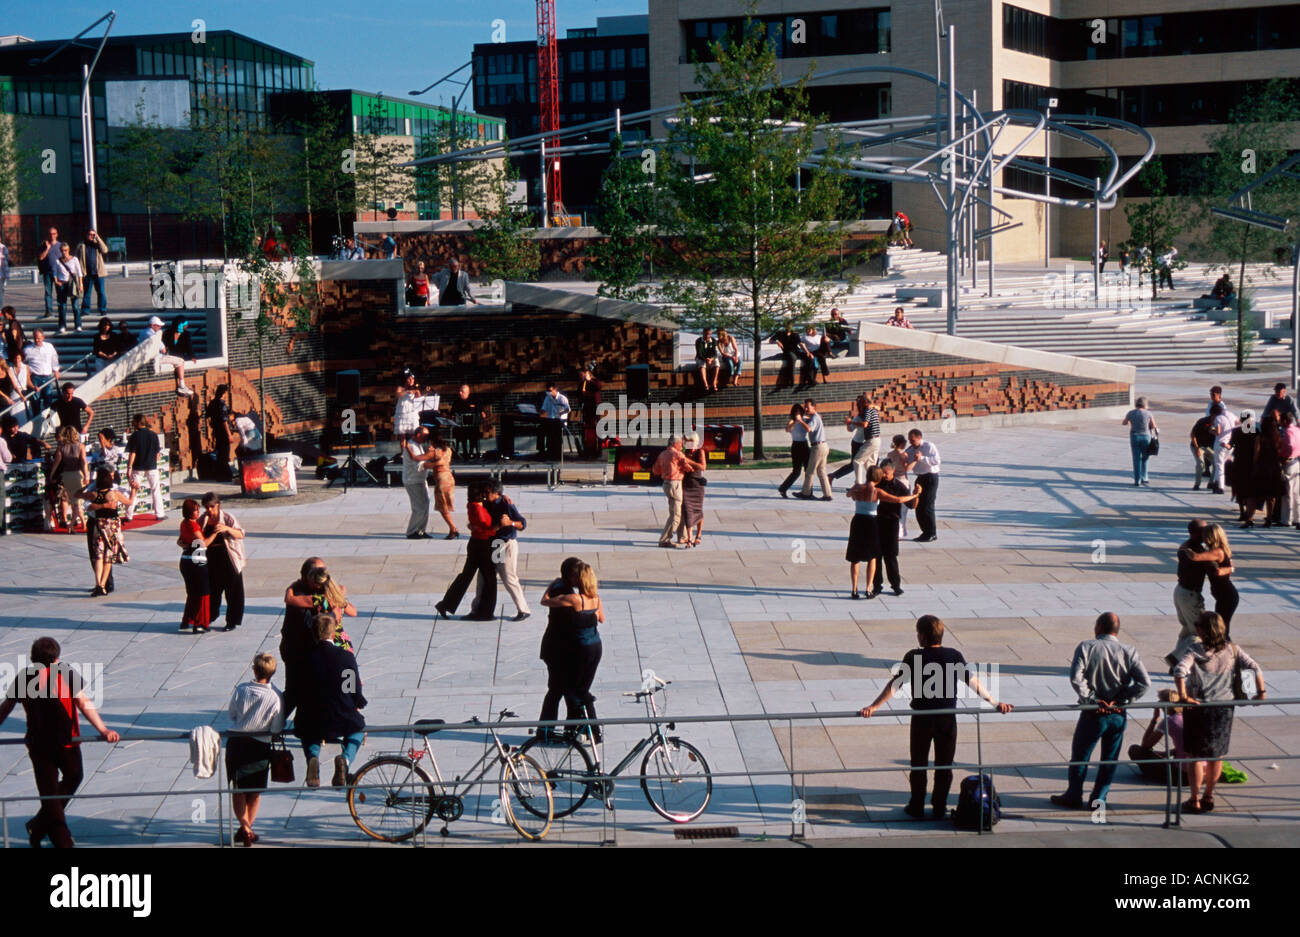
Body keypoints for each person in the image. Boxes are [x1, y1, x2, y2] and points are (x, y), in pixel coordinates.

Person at [861, 615, 1011, 820]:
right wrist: (994, 702)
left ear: (922, 636)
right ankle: (939, 806)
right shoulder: (954, 655)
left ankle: (916, 805)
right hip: (947, 719)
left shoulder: (914, 656)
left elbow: (895, 685)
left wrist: (874, 706)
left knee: (919, 765)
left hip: (922, 719)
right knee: (944, 766)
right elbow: (973, 682)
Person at [0, 636, 120, 848]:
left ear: (33, 658)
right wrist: (103, 729)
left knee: (49, 793)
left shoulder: (24, 677)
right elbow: (83, 702)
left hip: (38, 745)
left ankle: (38, 827)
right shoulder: (65, 673)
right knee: (72, 778)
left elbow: (6, 707)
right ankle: (59, 840)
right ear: (56, 657)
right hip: (67, 742)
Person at [1050, 612, 1151, 810]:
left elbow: (1076, 678)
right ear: (1117, 630)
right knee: (1109, 759)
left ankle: (1074, 795)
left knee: (1080, 757)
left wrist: (1093, 700)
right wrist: (1121, 699)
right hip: (1117, 713)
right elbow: (1144, 683)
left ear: (1098, 627)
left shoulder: (1086, 647)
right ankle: (1099, 800)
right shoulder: (1129, 651)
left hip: (1093, 713)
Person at [1173, 612, 1266, 814]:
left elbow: (1179, 671)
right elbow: (1254, 666)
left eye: (1198, 624)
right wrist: (1261, 692)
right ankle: (1209, 796)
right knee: (1217, 756)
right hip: (1223, 710)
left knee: (1194, 756)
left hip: (1198, 709)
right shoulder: (1232, 649)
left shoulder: (1195, 650)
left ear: (1204, 629)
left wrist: (1183, 696)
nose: (1195, 626)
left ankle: (1194, 799)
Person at [294, 613, 367, 788]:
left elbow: (297, 689)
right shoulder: (345, 657)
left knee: (309, 733)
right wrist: (357, 702)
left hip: (311, 717)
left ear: (313, 633)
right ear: (333, 633)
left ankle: (312, 757)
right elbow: (352, 688)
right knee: (358, 729)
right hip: (341, 715)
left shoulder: (303, 659)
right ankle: (345, 759)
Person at [539, 562, 605, 742]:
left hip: (577, 651)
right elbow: (601, 619)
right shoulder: (595, 598)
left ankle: (557, 730)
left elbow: (544, 601)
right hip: (594, 648)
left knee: (570, 691)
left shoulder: (572, 598)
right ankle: (578, 730)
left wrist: (551, 585)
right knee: (577, 690)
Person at [225, 653, 285, 846]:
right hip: (260, 745)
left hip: (237, 742)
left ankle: (245, 829)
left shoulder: (241, 689)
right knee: (255, 791)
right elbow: (276, 728)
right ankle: (248, 829)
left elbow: (232, 714)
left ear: (254, 669)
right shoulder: (276, 696)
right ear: (273, 672)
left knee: (238, 789)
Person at [845, 465, 919, 599]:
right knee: (873, 556)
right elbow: (898, 500)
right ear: (878, 477)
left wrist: (854, 490)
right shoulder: (877, 491)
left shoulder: (858, 487)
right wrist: (915, 495)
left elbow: (848, 494)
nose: (884, 475)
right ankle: (869, 588)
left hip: (859, 521)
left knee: (856, 558)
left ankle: (855, 590)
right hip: (872, 522)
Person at [535, 558, 583, 741]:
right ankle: (553, 730)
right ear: (572, 576)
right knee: (561, 690)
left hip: (553, 647)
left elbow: (545, 600)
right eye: (579, 575)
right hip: (560, 649)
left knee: (557, 690)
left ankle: (549, 730)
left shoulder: (559, 586)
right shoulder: (567, 595)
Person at [435, 481, 497, 620]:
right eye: (485, 492)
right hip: (481, 545)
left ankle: (446, 604)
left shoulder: (475, 505)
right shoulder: (476, 508)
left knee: (467, 576)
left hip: (477, 544)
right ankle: (485, 612)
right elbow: (485, 527)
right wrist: (498, 527)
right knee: (489, 578)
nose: (487, 494)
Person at [472, 482, 531, 621]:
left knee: (508, 577)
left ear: (496, 493)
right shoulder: (486, 503)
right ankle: (477, 609)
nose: (485, 495)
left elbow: (522, 524)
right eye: (484, 492)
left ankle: (523, 609)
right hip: (494, 544)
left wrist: (510, 523)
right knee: (484, 577)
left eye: (487, 492)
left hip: (505, 544)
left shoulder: (506, 505)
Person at [79, 468, 130, 596]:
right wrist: (134, 490)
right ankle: (102, 585)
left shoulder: (93, 493)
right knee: (108, 557)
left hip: (98, 525)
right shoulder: (115, 493)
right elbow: (129, 502)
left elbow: (77, 495)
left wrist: (86, 486)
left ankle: (99, 585)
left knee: (98, 556)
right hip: (112, 527)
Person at [872, 459, 918, 596]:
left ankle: (895, 585)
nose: (884, 475)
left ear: (893, 471)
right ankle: (876, 585)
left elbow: (912, 505)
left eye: (886, 472)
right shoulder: (876, 483)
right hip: (876, 521)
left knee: (891, 555)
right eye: (882, 472)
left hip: (891, 522)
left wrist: (916, 494)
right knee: (876, 555)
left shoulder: (899, 486)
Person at [202, 491, 246, 631]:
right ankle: (210, 616)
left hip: (229, 558)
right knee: (212, 591)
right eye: (206, 507)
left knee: (233, 592)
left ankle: (232, 621)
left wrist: (226, 528)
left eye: (212, 506)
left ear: (218, 505)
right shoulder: (203, 519)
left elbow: (241, 534)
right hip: (211, 559)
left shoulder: (227, 518)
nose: (209, 510)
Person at [1128, 690, 1188, 783]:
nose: (1158, 703)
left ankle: (1152, 774)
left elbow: (1146, 745)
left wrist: (1154, 719)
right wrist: (1168, 752)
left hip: (1182, 776)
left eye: (1160, 701)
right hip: (1202, 772)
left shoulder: (1170, 721)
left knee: (1135, 750)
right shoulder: (1187, 716)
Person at [175, 499, 215, 632]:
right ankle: (200, 623)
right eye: (195, 510)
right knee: (203, 592)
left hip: (185, 560)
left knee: (192, 592)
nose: (198, 512)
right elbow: (203, 543)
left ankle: (187, 620)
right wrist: (215, 533)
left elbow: (180, 541)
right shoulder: (193, 525)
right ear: (189, 512)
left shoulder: (184, 523)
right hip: (197, 561)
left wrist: (186, 544)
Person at [652, 435, 699, 547]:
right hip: (675, 484)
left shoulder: (662, 454)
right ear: (675, 444)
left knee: (678, 510)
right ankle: (664, 540)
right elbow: (689, 468)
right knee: (675, 516)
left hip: (666, 484)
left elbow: (655, 471)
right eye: (681, 444)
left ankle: (682, 536)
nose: (682, 446)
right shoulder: (678, 454)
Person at [124, 413, 166, 523]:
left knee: (133, 490)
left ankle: (129, 515)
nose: (132, 423)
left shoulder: (134, 436)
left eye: (133, 421)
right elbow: (157, 454)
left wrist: (129, 467)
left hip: (138, 467)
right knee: (156, 490)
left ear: (137, 422)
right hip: (152, 466)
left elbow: (132, 453)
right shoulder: (153, 435)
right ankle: (159, 514)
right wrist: (152, 462)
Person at [830, 393, 880, 484]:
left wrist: (851, 422)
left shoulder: (870, 410)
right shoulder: (860, 416)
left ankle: (869, 483)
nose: (860, 406)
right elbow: (850, 429)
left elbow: (867, 422)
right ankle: (834, 476)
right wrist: (848, 423)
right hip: (859, 442)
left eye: (861, 403)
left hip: (870, 441)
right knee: (855, 464)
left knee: (869, 464)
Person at [50, 425, 89, 533]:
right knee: (77, 502)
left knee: (73, 501)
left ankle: (82, 523)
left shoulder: (61, 447)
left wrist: (51, 474)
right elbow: (83, 461)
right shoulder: (81, 446)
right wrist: (86, 475)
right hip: (77, 474)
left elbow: (56, 462)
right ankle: (72, 525)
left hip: (66, 475)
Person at [905, 428, 941, 542]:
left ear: (919, 438)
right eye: (909, 440)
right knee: (918, 506)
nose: (911, 442)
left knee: (927, 506)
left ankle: (932, 533)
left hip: (930, 477)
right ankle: (925, 532)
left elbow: (936, 460)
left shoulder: (928, 446)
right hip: (920, 478)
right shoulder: (910, 449)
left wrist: (922, 458)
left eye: (913, 440)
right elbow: (906, 462)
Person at [1202, 523, 1239, 634]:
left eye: (1204, 535)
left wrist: (1188, 552)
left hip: (1226, 595)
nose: (1202, 537)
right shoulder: (1221, 550)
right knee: (1222, 626)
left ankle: (1227, 644)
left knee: (1222, 627)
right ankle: (1225, 643)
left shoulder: (1217, 552)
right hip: (1224, 594)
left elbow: (1219, 571)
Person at [794, 399, 832, 501]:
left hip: (818, 447)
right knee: (821, 471)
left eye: (807, 407)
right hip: (823, 446)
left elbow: (809, 428)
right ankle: (827, 495)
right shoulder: (815, 417)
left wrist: (800, 420)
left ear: (814, 407)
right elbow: (810, 421)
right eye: (805, 407)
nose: (805, 409)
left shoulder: (815, 418)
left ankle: (805, 493)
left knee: (810, 471)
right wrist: (803, 419)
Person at [401, 426, 435, 539]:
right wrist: (435, 464)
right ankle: (412, 531)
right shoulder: (411, 446)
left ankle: (420, 530)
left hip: (420, 479)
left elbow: (421, 459)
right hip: (413, 480)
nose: (427, 438)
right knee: (419, 507)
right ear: (419, 435)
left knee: (425, 504)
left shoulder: (418, 445)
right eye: (425, 436)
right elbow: (418, 465)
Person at [1227, 410, 1260, 523]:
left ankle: (1242, 513)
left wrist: (1226, 447)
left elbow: (1230, 445)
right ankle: (1248, 513)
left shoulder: (1236, 431)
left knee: (1239, 489)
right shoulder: (1255, 432)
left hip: (1239, 463)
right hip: (1250, 463)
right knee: (1249, 490)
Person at [677, 432, 708, 547]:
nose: (687, 444)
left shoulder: (700, 451)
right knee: (687, 510)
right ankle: (689, 538)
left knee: (698, 510)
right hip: (686, 484)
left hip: (697, 486)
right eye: (686, 442)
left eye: (690, 441)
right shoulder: (685, 452)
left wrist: (687, 461)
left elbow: (703, 467)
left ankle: (698, 535)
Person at [1121, 396, 1157, 487]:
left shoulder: (1131, 413)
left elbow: (1124, 423)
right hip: (1146, 437)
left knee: (1136, 459)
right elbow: (1153, 426)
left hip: (1134, 436)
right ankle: (1144, 477)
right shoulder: (1148, 413)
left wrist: (1130, 422)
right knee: (1145, 457)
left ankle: (1137, 480)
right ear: (1145, 404)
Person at [428, 432, 459, 538]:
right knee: (445, 505)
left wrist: (427, 463)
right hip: (449, 477)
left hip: (441, 479)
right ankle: (452, 528)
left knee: (442, 506)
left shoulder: (435, 452)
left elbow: (427, 461)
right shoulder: (448, 450)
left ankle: (453, 528)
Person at [777, 403, 809, 498]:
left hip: (804, 445)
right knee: (796, 471)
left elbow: (817, 417)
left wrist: (802, 420)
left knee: (808, 470)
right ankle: (783, 488)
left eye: (799, 412)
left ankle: (807, 492)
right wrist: (796, 421)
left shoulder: (805, 419)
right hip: (796, 446)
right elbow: (787, 429)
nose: (798, 414)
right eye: (796, 412)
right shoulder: (792, 421)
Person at [24, 329, 60, 411]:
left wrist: (56, 370)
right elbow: (23, 363)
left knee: (48, 398)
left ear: (43, 337)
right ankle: (36, 416)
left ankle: (47, 416)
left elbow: (54, 358)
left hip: (48, 377)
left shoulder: (49, 346)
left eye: (38, 338)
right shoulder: (27, 349)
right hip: (35, 377)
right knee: (35, 400)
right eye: (35, 338)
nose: (37, 340)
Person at [768, 322, 812, 389]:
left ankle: (809, 378)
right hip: (787, 351)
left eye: (790, 326)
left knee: (808, 358)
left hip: (796, 350)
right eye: (787, 326)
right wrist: (777, 342)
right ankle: (790, 381)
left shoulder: (795, 334)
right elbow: (770, 341)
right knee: (792, 359)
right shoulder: (780, 333)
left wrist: (807, 352)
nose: (789, 327)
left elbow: (800, 344)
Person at [160, 317, 197, 397]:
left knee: (179, 363)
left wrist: (192, 356)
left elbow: (189, 347)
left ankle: (180, 386)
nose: (187, 327)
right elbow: (163, 345)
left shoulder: (186, 334)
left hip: (180, 356)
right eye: (185, 325)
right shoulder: (167, 333)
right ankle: (181, 386)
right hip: (170, 356)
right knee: (178, 363)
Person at [76, 230, 109, 318]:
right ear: (86, 235)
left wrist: (98, 238)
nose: (91, 236)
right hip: (87, 273)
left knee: (101, 292)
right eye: (90, 234)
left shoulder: (97, 244)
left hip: (98, 273)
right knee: (87, 293)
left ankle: (102, 309)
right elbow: (77, 258)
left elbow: (105, 250)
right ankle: (85, 310)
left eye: (93, 234)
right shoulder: (81, 245)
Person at [37, 227, 67, 322]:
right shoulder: (43, 245)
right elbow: (41, 257)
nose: (52, 235)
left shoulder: (61, 245)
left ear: (57, 234)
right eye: (50, 234)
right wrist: (47, 248)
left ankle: (61, 310)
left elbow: (65, 257)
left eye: (54, 234)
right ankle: (49, 311)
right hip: (47, 272)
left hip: (58, 273)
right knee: (48, 292)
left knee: (60, 292)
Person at [1208, 402, 1237, 495]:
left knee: (1219, 465)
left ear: (1214, 414)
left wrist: (1211, 431)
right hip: (1229, 445)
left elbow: (1218, 432)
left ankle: (1220, 487)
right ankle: (1216, 483)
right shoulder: (1228, 417)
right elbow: (1238, 423)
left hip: (1220, 444)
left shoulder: (1218, 418)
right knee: (1221, 465)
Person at [54, 244, 84, 333]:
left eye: (66, 250)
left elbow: (79, 272)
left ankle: (78, 325)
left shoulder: (74, 259)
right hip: (62, 283)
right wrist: (56, 281)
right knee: (62, 306)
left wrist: (80, 284)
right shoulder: (58, 261)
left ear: (69, 250)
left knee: (75, 306)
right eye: (62, 250)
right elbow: (55, 272)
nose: (64, 252)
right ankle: (62, 325)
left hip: (72, 284)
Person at [539, 383, 571, 461]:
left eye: (550, 391)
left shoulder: (562, 398)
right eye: (547, 391)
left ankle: (556, 454)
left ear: (555, 390)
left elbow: (568, 409)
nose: (549, 393)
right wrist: (538, 411)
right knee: (540, 429)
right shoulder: (547, 398)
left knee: (554, 429)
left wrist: (561, 413)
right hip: (551, 419)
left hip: (560, 420)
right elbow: (543, 409)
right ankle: (543, 452)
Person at [205, 384, 232, 478]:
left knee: (219, 452)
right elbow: (224, 420)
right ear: (224, 393)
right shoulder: (221, 404)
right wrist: (229, 434)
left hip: (216, 431)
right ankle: (226, 474)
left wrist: (212, 424)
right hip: (223, 431)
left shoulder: (212, 402)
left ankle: (219, 473)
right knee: (225, 453)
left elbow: (207, 416)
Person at [1279, 412, 1300, 529]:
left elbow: (1290, 446)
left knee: (1287, 492)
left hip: (1288, 462)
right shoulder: (1297, 430)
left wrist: (1283, 455)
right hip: (1297, 462)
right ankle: (1297, 517)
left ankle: (1287, 519)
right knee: (1296, 492)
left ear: (1285, 421)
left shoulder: (1287, 432)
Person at [449, 383, 481, 461]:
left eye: (462, 391)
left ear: (468, 392)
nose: (460, 393)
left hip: (473, 426)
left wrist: (480, 417)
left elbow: (480, 412)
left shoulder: (475, 401)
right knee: (462, 433)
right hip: (461, 427)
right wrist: (454, 418)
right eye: (460, 391)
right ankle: (465, 452)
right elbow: (452, 414)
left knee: (473, 432)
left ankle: (471, 452)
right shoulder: (457, 402)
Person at [393, 368, 425, 440]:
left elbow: (419, 400)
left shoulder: (415, 389)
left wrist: (417, 393)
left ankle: (411, 446)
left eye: (412, 379)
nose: (411, 380)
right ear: (405, 379)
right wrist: (407, 391)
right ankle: (403, 447)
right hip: (402, 413)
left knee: (413, 434)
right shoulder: (400, 388)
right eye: (409, 379)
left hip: (412, 413)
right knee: (402, 436)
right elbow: (397, 395)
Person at [1189, 410, 1216, 490]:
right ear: (1212, 415)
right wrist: (1197, 448)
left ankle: (1211, 483)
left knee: (1217, 463)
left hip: (1208, 447)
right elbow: (1192, 435)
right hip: (1198, 446)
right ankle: (1197, 484)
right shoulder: (1202, 422)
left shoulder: (1218, 423)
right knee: (1201, 464)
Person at [695, 327, 720, 392]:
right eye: (706, 334)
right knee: (702, 364)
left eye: (709, 334)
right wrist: (706, 359)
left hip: (711, 358)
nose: (707, 336)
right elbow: (699, 353)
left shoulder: (713, 340)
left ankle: (714, 382)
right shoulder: (698, 341)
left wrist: (711, 359)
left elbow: (715, 352)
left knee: (717, 363)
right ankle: (705, 383)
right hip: (702, 358)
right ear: (703, 333)